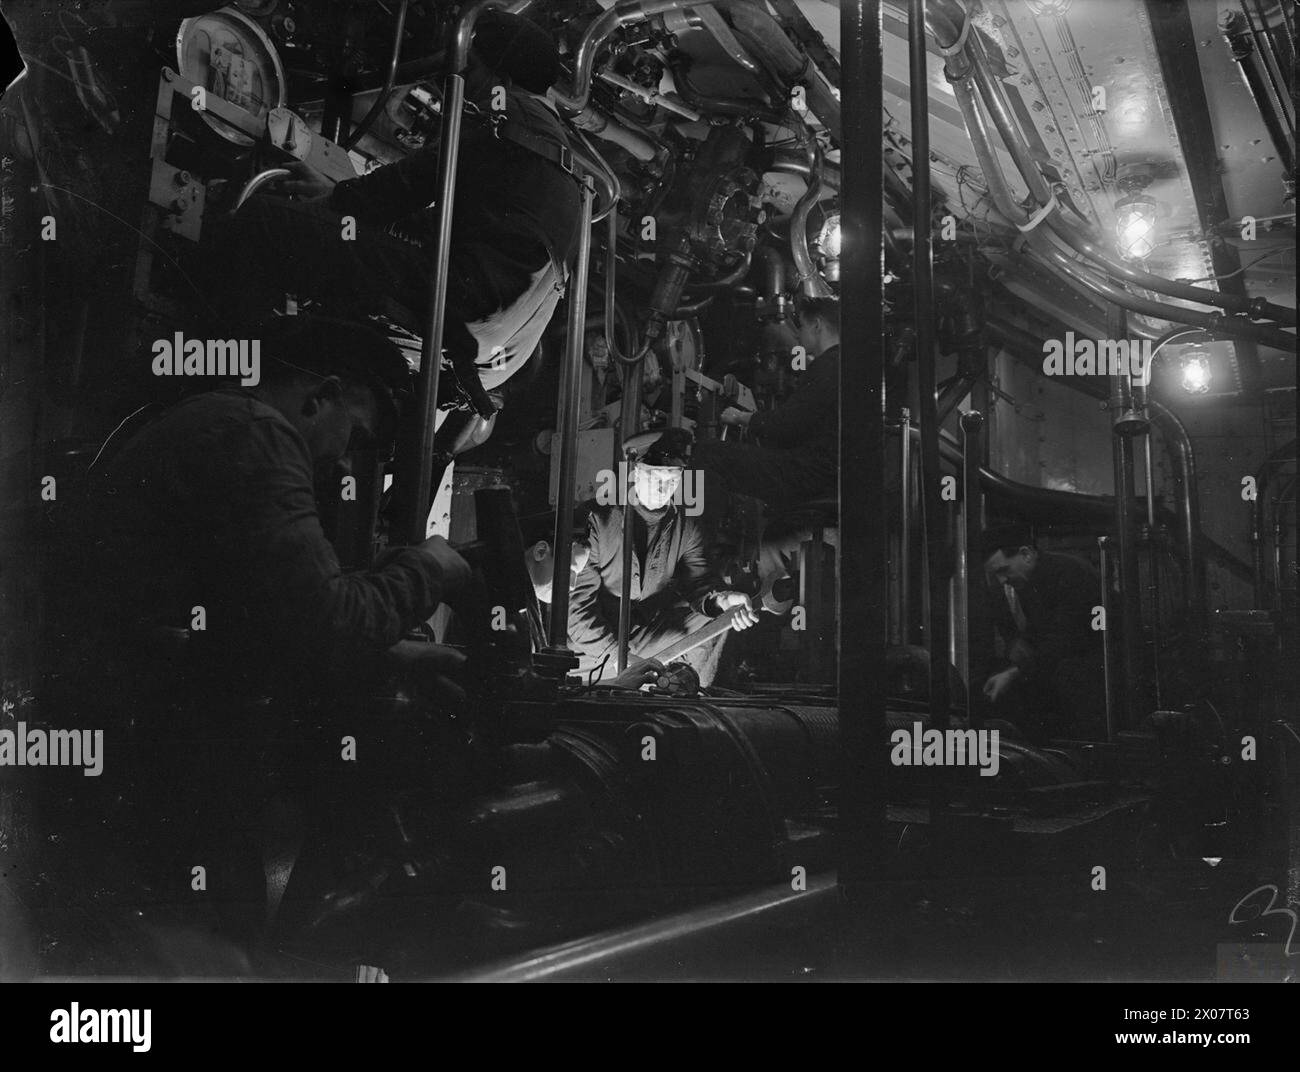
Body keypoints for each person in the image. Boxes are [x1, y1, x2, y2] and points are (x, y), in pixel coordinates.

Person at [59, 315, 473, 942]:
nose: (341, 461)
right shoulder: (258, 435)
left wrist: (389, 653)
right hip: (150, 753)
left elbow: (261, 617)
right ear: (322, 396)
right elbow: (325, 621)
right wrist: (429, 566)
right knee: (216, 937)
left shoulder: (215, 422)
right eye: (355, 435)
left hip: (130, 739)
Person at [215, 10, 582, 421]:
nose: (462, 82)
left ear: (503, 76)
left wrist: (336, 201)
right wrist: (340, 197)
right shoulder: (562, 164)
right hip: (494, 355)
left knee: (265, 222)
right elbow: (442, 230)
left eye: (472, 67)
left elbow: (409, 184)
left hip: (458, 301)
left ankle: (224, 386)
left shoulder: (502, 112)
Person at [568, 430, 758, 684]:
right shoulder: (597, 520)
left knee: (722, 620)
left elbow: (699, 583)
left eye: (671, 478)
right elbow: (577, 612)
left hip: (643, 639)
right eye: (654, 475)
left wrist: (723, 600)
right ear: (634, 472)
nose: (662, 487)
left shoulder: (686, 524)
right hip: (592, 652)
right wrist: (619, 657)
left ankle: (690, 706)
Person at [692, 294, 841, 600]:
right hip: (825, 473)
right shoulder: (846, 368)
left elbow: (788, 424)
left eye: (801, 327)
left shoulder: (828, 366)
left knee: (707, 454)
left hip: (806, 472)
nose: (798, 335)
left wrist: (742, 417)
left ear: (817, 324)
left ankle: (701, 560)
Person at [979, 524, 1106, 741]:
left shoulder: (1070, 573)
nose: (1003, 581)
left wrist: (1014, 672)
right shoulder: (1029, 581)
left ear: (1026, 554)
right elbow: (1042, 632)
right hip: (1069, 667)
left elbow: (1064, 639)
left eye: (1003, 570)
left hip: (1096, 673)